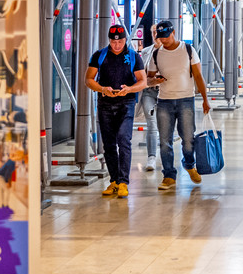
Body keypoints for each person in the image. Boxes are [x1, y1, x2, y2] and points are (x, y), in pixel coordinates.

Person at [147, 19, 212, 189]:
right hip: (164, 101)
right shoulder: (156, 54)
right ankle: (169, 175)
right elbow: (148, 79)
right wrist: (155, 80)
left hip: (186, 100)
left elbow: (198, 76)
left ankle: (189, 165)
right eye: (161, 37)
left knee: (188, 139)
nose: (164, 40)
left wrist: (205, 99)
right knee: (165, 140)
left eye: (167, 36)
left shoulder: (188, 50)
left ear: (173, 32)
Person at [85, 24, 147, 199]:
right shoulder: (100, 55)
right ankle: (113, 180)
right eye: (113, 42)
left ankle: (123, 182)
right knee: (109, 144)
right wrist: (102, 88)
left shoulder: (134, 56)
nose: (117, 45)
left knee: (124, 140)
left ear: (125, 40)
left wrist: (129, 89)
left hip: (126, 103)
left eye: (119, 42)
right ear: (109, 40)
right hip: (105, 104)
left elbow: (143, 81)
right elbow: (88, 79)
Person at [139, 22, 166, 173]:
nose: (156, 35)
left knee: (164, 125)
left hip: (165, 93)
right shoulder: (146, 52)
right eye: (153, 32)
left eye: (158, 31)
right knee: (151, 123)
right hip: (149, 91)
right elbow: (142, 71)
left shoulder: (170, 52)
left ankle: (164, 155)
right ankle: (151, 157)